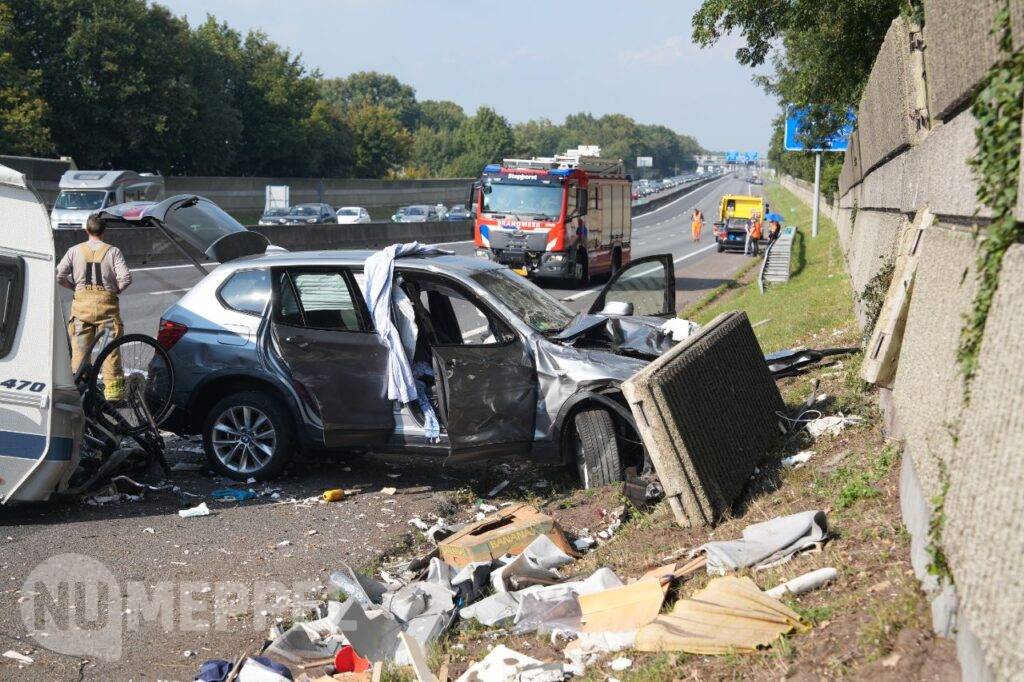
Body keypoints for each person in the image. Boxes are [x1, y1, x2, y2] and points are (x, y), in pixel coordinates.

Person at [56, 213, 132, 399]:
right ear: (104, 231)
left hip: (82, 309)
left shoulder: (74, 251)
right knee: (110, 352)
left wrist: (73, 287)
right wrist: (115, 291)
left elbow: (59, 275)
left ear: (86, 230)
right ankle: (113, 394)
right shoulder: (113, 252)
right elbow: (126, 278)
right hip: (107, 309)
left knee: (79, 353)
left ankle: (80, 392)